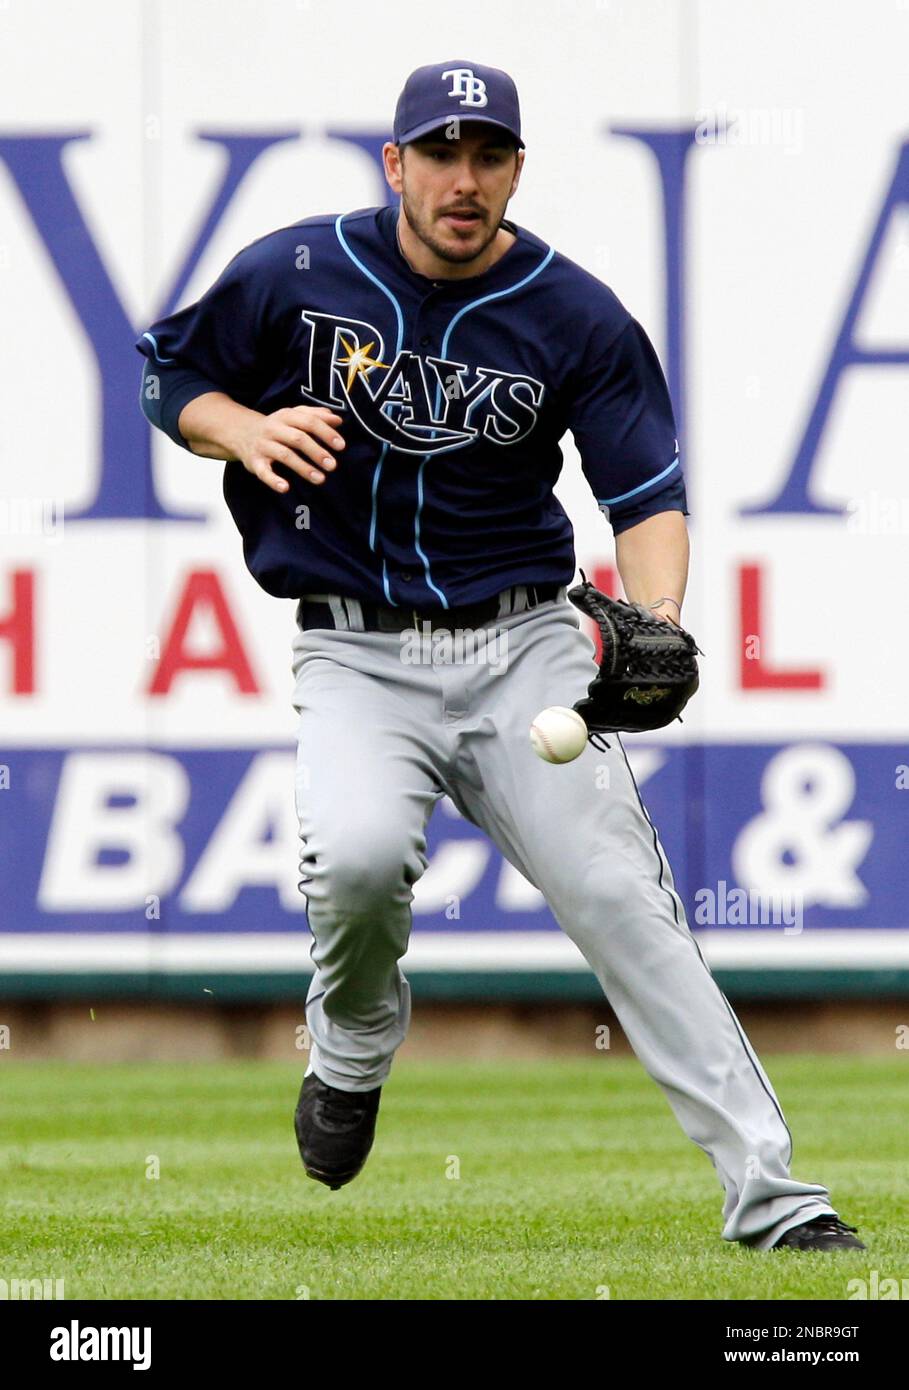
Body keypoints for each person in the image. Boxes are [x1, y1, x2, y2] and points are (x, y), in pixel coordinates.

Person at [136, 59, 863, 1252]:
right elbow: (172, 370)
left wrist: (664, 617)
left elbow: (648, 494)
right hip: (357, 653)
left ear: (516, 169)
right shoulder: (300, 270)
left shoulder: (571, 312)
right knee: (360, 865)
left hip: (524, 645)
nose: (461, 179)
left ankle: (777, 1202)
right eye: (439, 153)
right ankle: (356, 1047)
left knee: (627, 906)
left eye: (486, 155)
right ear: (395, 164)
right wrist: (246, 424)